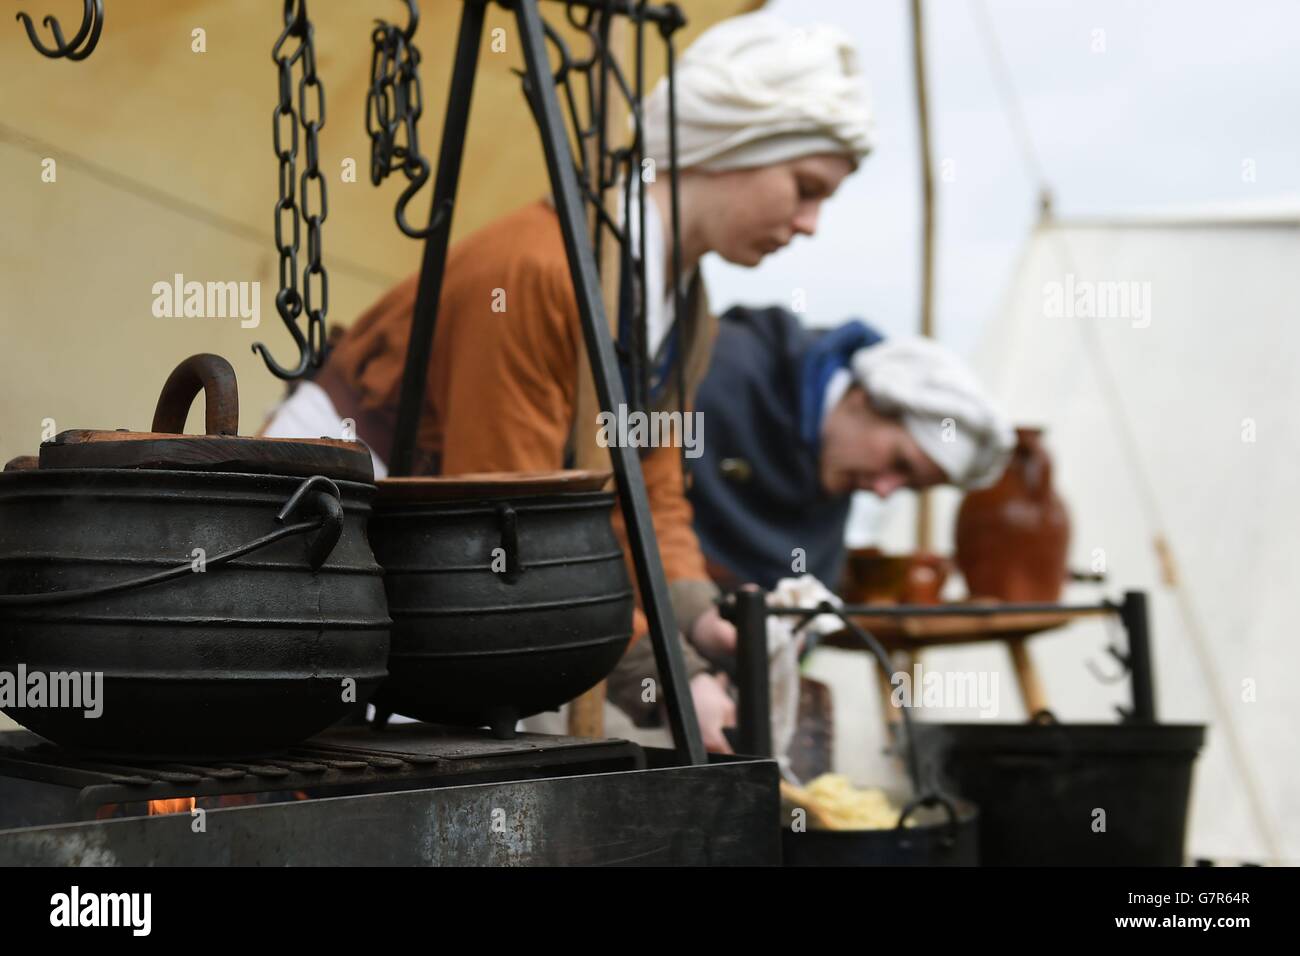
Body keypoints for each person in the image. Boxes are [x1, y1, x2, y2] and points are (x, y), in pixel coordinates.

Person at [260, 12, 875, 751]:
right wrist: (665, 675)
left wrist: (700, 615)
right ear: (733, 145)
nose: (810, 223)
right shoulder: (538, 271)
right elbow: (505, 509)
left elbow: (651, 485)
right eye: (805, 187)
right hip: (320, 550)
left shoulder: (685, 303)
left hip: (460, 558)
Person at [685, 304, 1016, 595]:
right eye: (900, 463)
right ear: (868, 398)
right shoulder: (714, 371)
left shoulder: (827, 483)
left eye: (909, 487)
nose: (884, 491)